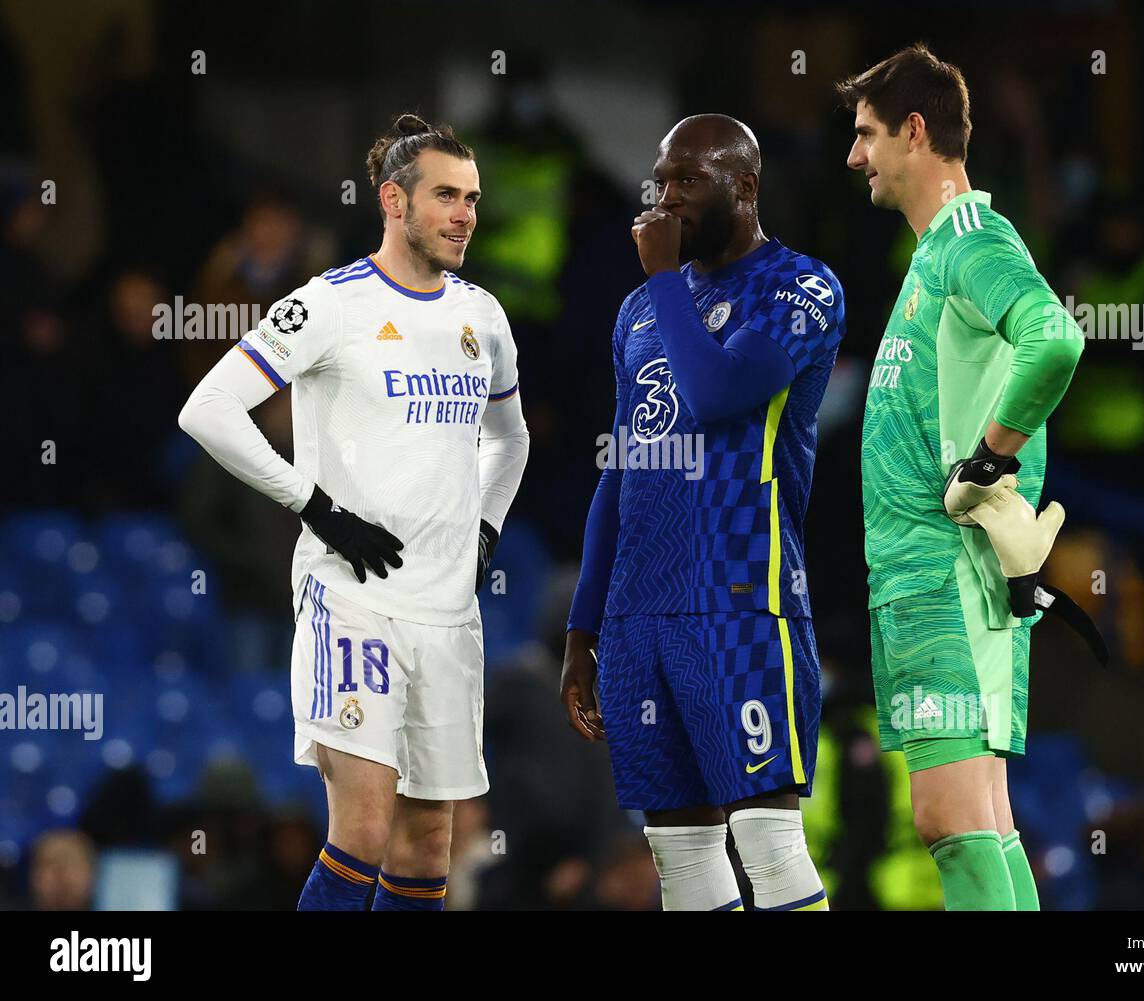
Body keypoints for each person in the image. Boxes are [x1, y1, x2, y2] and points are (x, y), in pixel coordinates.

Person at [178, 114, 529, 910]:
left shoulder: (483, 317)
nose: (465, 214)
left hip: (449, 615)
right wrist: (317, 508)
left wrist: (484, 530)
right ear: (393, 201)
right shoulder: (330, 304)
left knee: (425, 844)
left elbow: (510, 440)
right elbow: (209, 408)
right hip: (353, 600)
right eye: (446, 194)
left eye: (472, 198)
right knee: (363, 830)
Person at [563, 114, 845, 911]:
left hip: (740, 601)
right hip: (638, 616)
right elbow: (622, 471)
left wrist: (659, 278)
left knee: (770, 847)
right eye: (660, 180)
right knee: (683, 862)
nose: (667, 197)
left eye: (688, 180)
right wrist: (585, 627)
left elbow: (720, 393)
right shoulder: (638, 315)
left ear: (744, 187)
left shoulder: (800, 287)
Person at [840, 45, 1085, 910]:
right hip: (930, 577)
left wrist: (993, 455)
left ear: (916, 132)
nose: (853, 155)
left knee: (952, 821)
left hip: (949, 573)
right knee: (984, 820)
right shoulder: (933, 255)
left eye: (867, 134)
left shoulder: (970, 239)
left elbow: (1056, 337)